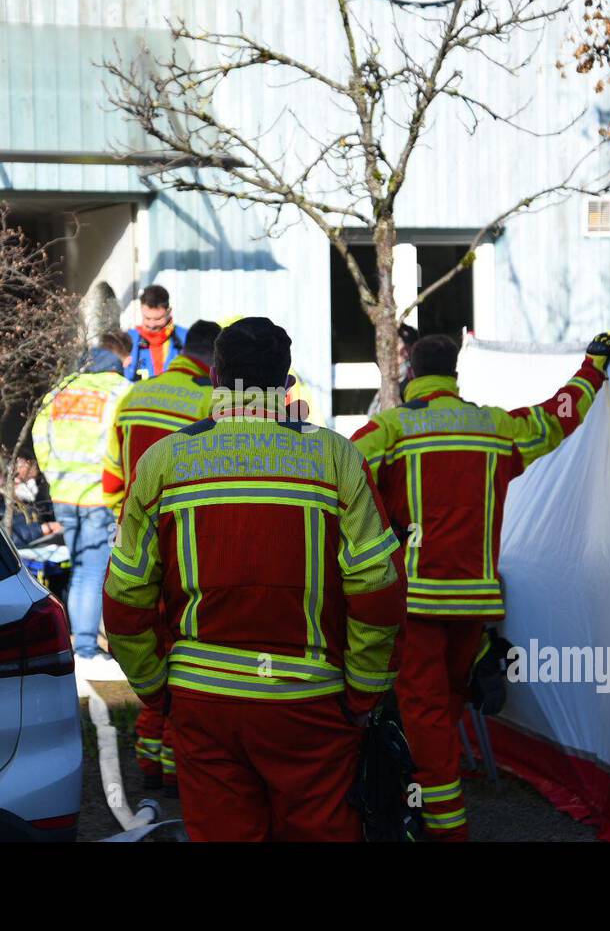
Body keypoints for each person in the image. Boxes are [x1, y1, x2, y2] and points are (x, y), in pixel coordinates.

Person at [102, 317, 407, 841]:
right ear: (286, 383)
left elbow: (125, 600)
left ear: (217, 379)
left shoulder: (163, 462)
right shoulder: (335, 458)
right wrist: (362, 694)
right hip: (310, 703)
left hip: (203, 705)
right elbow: (378, 593)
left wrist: (158, 691)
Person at [350, 330, 610, 840]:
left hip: (419, 601)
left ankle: (445, 825)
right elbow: (556, 417)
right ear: (455, 374)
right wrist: (594, 367)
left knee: (424, 710)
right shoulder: (493, 426)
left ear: (410, 373)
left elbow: (340, 472)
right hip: (475, 602)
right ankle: (429, 792)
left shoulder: (389, 429)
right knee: (446, 705)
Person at [102, 320, 221, 792]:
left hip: (135, 536)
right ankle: (174, 765)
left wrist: (127, 518)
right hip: (185, 541)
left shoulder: (136, 397)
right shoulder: (206, 401)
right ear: (214, 362)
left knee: (149, 645)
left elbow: (112, 477)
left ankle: (150, 759)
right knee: (183, 648)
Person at [33, 331, 132, 679]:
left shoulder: (60, 390)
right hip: (100, 494)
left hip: (64, 493)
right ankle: (87, 649)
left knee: (80, 570)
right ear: (117, 365)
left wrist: (54, 474)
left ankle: (84, 643)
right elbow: (127, 441)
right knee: (95, 573)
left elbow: (38, 435)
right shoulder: (120, 391)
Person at [125, 285, 188, 381]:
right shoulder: (128, 340)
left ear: (169, 312)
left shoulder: (186, 338)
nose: (152, 324)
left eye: (158, 319)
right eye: (147, 318)